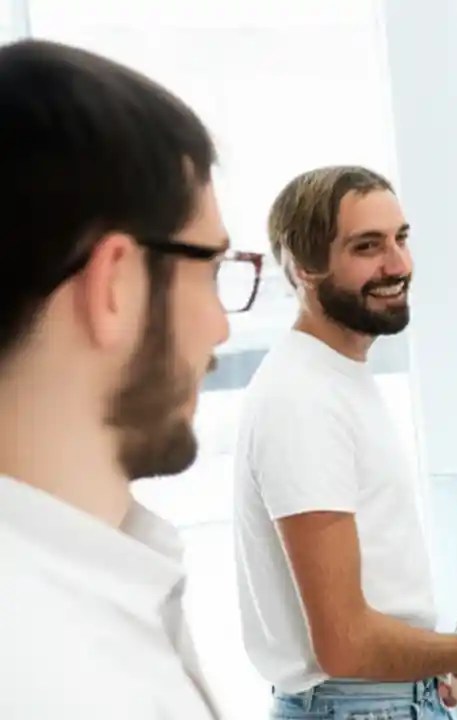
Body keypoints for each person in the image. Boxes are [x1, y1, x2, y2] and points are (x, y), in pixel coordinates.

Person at [0, 39, 250, 717]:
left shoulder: (81, 589)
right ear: (114, 283)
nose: (221, 327)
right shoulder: (51, 669)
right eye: (209, 268)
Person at [232, 166, 457, 720]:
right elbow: (344, 641)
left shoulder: (334, 377)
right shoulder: (301, 399)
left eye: (401, 238)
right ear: (303, 266)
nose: (398, 265)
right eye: (367, 247)